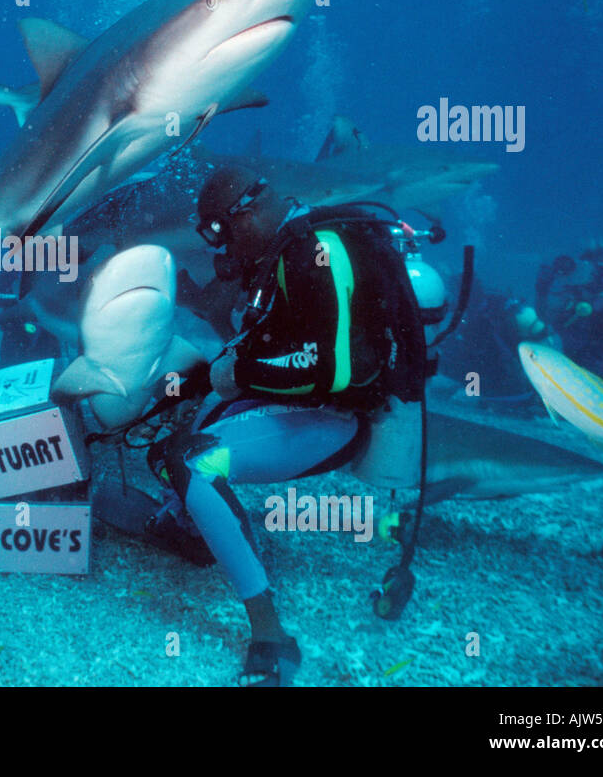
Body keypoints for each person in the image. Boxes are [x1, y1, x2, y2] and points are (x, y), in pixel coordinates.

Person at [139, 167, 430, 686]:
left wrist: (238, 375)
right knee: (167, 452)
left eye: (222, 234)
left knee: (196, 463)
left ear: (248, 212)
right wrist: (196, 385)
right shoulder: (282, 255)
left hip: (335, 418)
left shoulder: (316, 253)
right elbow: (267, 344)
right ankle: (204, 528)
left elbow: (331, 370)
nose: (224, 251)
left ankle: (270, 636)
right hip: (302, 405)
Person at [535, 243, 603, 410]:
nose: (582, 273)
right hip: (576, 368)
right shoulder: (572, 295)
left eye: (591, 269)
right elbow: (545, 318)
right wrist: (542, 289)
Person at [435, 277, 554, 412]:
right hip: (518, 371)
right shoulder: (492, 305)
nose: (450, 300)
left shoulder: (480, 319)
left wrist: (471, 392)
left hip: (508, 378)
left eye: (454, 294)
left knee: (445, 361)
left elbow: (478, 360)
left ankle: (476, 396)